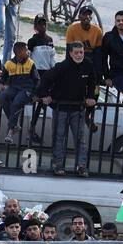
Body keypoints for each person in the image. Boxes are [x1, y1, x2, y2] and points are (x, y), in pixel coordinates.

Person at [38, 41, 98, 177]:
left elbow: (93, 81)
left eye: (81, 52)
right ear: (70, 53)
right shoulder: (62, 66)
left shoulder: (88, 64)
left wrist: (90, 97)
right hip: (61, 109)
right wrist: (45, 95)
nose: (79, 55)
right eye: (76, 53)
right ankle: (58, 165)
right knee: (59, 137)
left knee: (80, 139)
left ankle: (81, 166)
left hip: (78, 109)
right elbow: (45, 78)